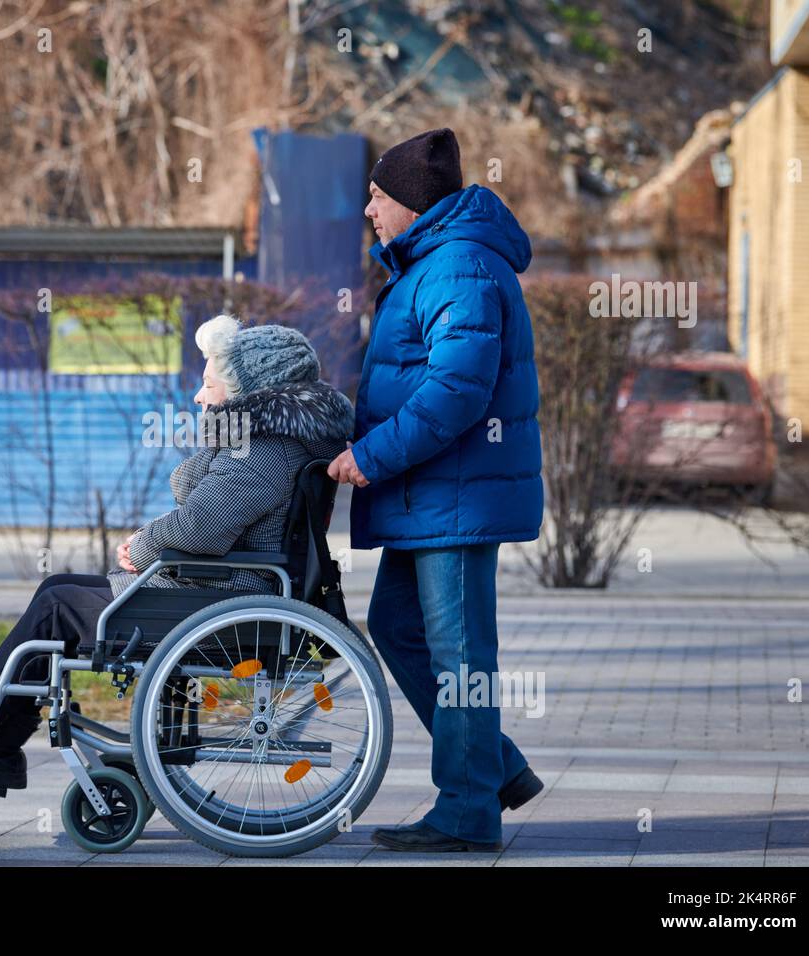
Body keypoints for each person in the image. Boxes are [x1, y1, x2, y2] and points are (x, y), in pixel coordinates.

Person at [0, 314, 354, 792]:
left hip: (217, 600)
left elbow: (202, 528)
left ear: (250, 391)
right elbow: (203, 504)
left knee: (57, 605)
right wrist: (217, 436)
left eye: (210, 386)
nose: (198, 396)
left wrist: (142, 546)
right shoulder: (267, 443)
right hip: (217, 593)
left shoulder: (263, 449)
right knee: (57, 589)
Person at [327, 127, 545, 852]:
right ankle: (492, 769)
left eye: (378, 197)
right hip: (432, 495)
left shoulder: (457, 268)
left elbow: (457, 389)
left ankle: (466, 809)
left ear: (414, 204)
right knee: (398, 629)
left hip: (453, 497)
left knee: (459, 654)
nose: (369, 211)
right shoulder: (434, 263)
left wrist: (372, 457)